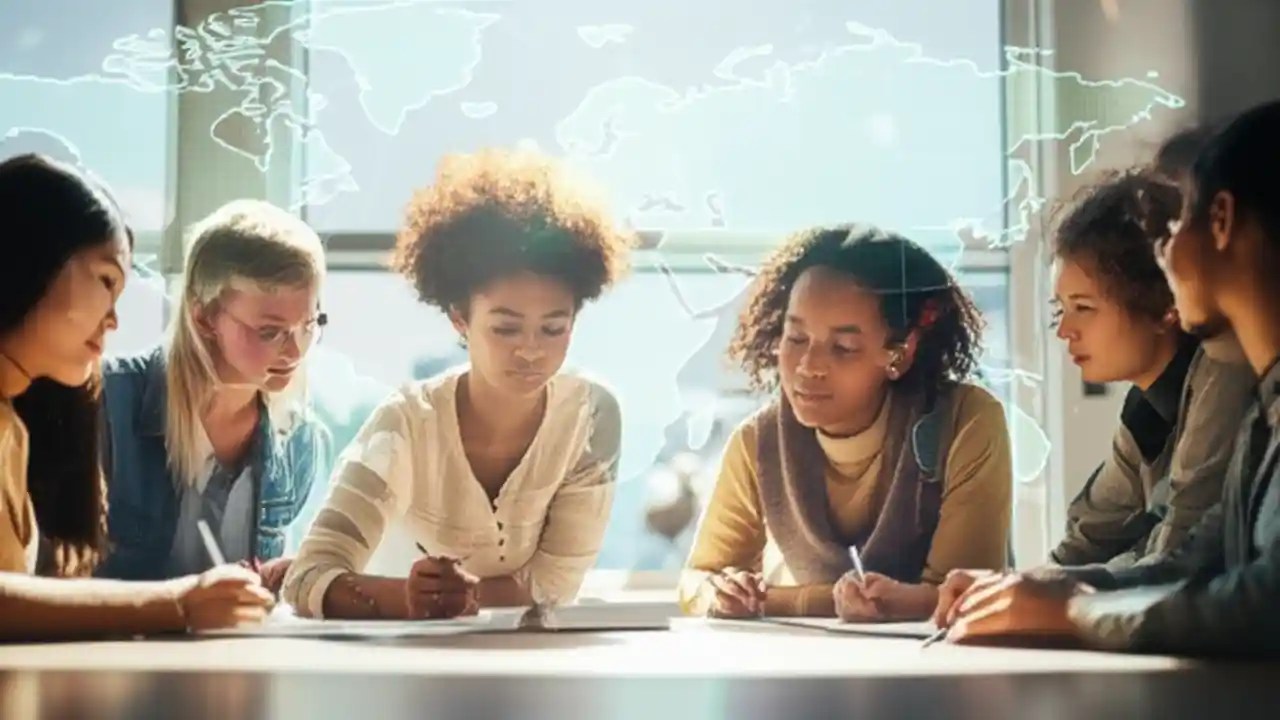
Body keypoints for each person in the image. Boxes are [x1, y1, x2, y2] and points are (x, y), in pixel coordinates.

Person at [941, 99, 1280, 657]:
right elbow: (1198, 561)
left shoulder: (1242, 394)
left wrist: (1076, 610)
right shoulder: (1262, 415)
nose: (1164, 256)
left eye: (1179, 222)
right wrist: (1049, 591)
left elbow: (1267, 602)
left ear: (1220, 221)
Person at [283, 148, 633, 619]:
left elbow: (556, 583)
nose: (531, 349)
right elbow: (307, 577)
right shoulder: (407, 422)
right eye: (505, 328)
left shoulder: (592, 416)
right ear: (459, 320)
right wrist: (408, 599)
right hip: (399, 658)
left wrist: (460, 600)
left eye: (554, 328)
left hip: (524, 662)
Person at [678, 224, 1013, 621]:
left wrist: (777, 602)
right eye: (796, 338)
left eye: (843, 347)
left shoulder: (964, 423)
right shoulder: (758, 442)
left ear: (900, 355)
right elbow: (698, 580)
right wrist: (721, 593)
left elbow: (963, 596)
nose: (808, 366)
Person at [0, 153, 271, 640]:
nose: (113, 320)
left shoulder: (14, 431)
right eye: (106, 281)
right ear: (26, 257)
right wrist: (176, 602)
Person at [95, 200, 330, 594]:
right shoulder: (105, 404)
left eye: (310, 325)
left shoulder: (301, 442)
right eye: (270, 332)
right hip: (109, 652)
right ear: (204, 317)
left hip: (234, 654)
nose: (296, 351)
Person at [1045, 171, 1255, 570]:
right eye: (1061, 309)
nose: (1064, 330)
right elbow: (1091, 536)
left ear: (1164, 306)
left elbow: (1181, 552)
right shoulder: (1146, 406)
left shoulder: (1223, 370)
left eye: (1084, 308)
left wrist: (1051, 595)